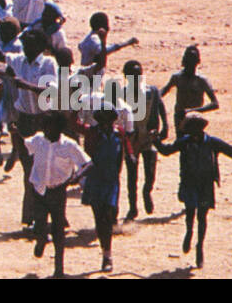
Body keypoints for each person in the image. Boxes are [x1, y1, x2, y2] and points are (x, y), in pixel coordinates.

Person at [156, 115, 232, 268]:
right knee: (190, 213)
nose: (190, 134)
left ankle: (199, 247)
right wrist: (154, 140)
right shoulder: (185, 142)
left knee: (202, 216)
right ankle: (189, 232)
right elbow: (166, 151)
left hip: (205, 185)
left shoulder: (212, 143)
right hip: (190, 183)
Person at [14, 111, 89, 278]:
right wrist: (16, 134)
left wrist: (76, 177)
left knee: (58, 229)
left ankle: (58, 267)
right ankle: (41, 240)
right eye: (46, 127)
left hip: (58, 191)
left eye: (52, 127)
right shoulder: (39, 139)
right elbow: (25, 146)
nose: (48, 131)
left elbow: (87, 163)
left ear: (59, 128)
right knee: (39, 224)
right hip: (39, 189)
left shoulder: (69, 145)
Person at [121, 59, 167, 220]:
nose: (136, 77)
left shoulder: (151, 91)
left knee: (150, 172)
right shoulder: (122, 93)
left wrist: (165, 126)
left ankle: (147, 191)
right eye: (132, 74)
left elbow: (160, 106)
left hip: (148, 135)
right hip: (131, 138)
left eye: (138, 73)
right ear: (126, 76)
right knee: (131, 175)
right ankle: (133, 207)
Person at [80, 106, 123, 272]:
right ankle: (107, 254)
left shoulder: (119, 133)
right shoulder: (92, 133)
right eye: (103, 120)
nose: (107, 123)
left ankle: (107, 252)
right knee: (100, 217)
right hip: (95, 180)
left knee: (108, 215)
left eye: (109, 120)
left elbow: (122, 156)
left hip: (111, 181)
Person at [161, 45, 218, 129]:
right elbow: (164, 91)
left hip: (195, 119)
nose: (190, 64)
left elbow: (215, 104)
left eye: (192, 61)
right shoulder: (177, 77)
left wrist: (193, 111)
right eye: (188, 61)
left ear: (198, 62)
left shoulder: (201, 80)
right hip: (180, 118)